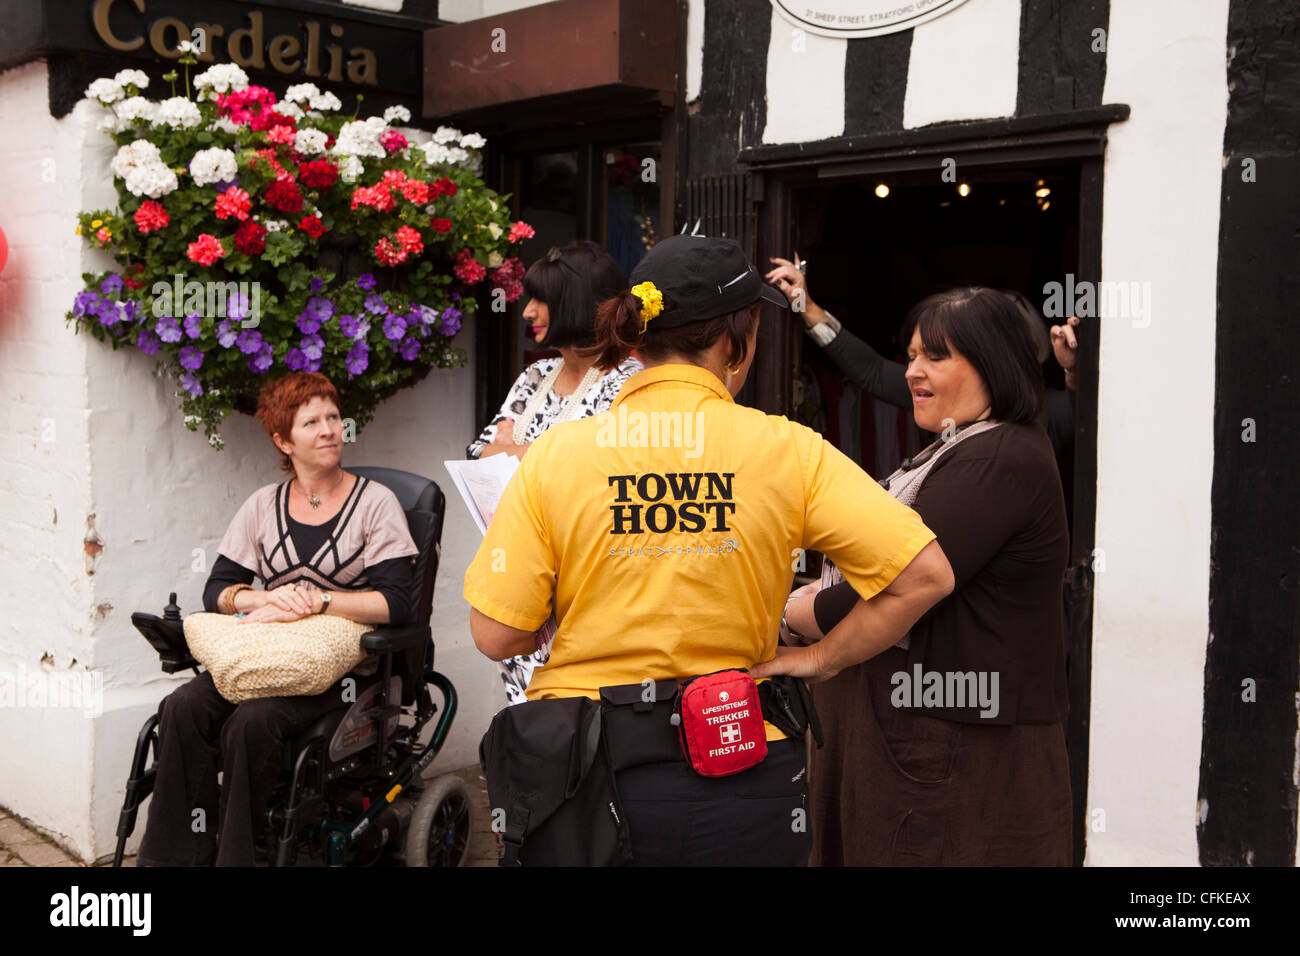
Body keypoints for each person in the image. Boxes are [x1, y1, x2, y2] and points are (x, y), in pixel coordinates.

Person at [463, 234, 955, 866]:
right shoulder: (787, 449)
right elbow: (925, 577)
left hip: (586, 770)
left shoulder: (559, 453)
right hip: (740, 751)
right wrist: (822, 659)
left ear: (635, 342)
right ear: (738, 344)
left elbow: (496, 633)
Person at [771, 287, 1073, 865]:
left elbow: (894, 577)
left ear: (994, 364)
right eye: (910, 355)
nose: (913, 372)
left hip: (958, 745)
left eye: (935, 356)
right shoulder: (956, 448)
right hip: (916, 731)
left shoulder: (1000, 456)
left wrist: (786, 618)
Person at [137, 371, 416, 866]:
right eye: (311, 422)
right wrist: (264, 598)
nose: (330, 429)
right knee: (181, 707)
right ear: (283, 440)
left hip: (339, 671)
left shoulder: (376, 503)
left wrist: (320, 601)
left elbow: (396, 603)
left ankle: (240, 858)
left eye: (333, 417)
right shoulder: (262, 506)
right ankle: (179, 857)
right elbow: (217, 590)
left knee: (252, 723)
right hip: (265, 655)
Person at [466, 240, 642, 705]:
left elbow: (598, 472)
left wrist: (517, 451)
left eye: (542, 300)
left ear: (578, 304)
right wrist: (529, 454)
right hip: (524, 576)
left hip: (583, 588)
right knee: (529, 718)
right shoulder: (534, 376)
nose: (528, 312)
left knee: (579, 719)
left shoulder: (628, 383)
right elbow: (483, 450)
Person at [765, 255, 1082, 459]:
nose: (914, 371)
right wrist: (806, 307)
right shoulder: (941, 391)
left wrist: (1074, 369)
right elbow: (871, 371)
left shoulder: (1046, 410)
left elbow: (1087, 419)